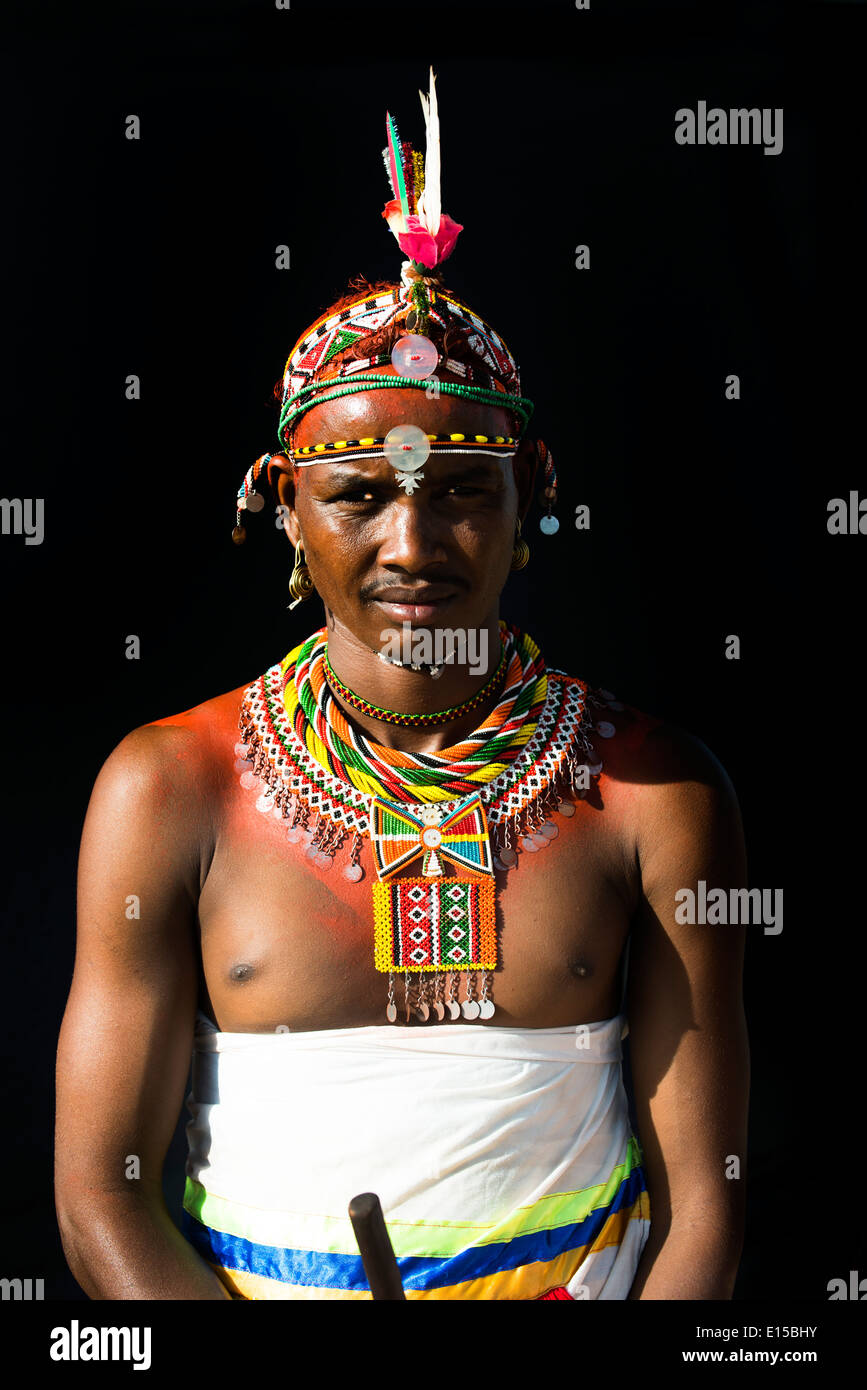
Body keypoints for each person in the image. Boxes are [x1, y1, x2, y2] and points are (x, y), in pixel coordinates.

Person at [55, 72, 749, 1301]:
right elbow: (101, 1194)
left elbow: (707, 1206)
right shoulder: (168, 791)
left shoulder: (657, 797)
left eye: (463, 492)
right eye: (359, 494)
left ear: (531, 488)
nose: (415, 547)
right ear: (283, 507)